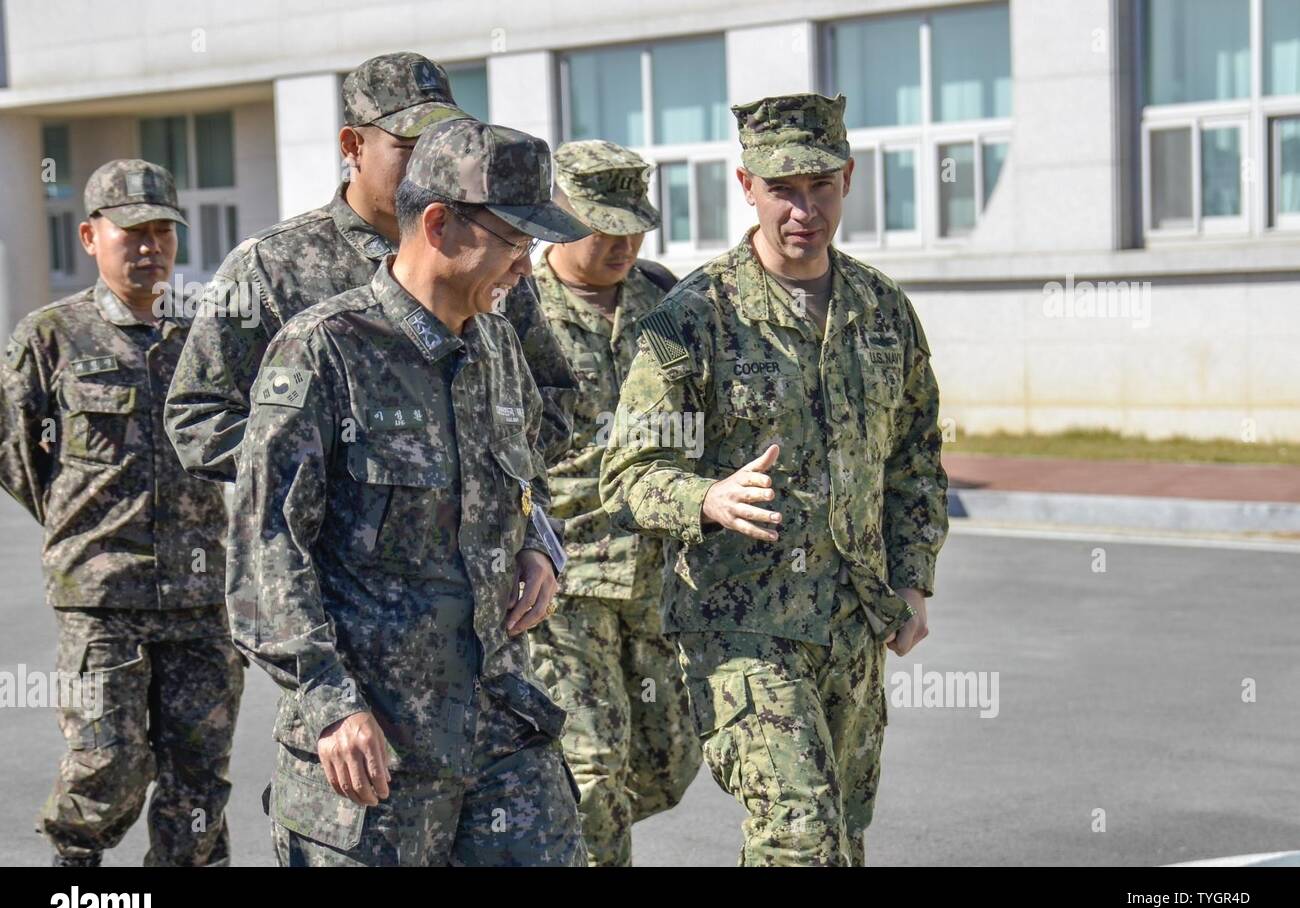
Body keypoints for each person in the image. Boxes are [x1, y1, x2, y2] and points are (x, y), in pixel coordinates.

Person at [228, 117, 591, 866]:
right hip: (373, 754)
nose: (527, 268)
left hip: (499, 734)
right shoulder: (323, 352)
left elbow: (527, 483)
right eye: (515, 243)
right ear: (438, 224)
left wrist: (540, 547)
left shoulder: (495, 346)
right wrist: (329, 704)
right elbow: (264, 550)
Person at [599, 93, 949, 866]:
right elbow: (626, 476)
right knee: (800, 839)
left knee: (842, 839)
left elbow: (915, 462)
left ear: (848, 179)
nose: (803, 208)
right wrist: (706, 497)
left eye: (820, 185)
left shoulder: (882, 309)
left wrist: (915, 581)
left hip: (853, 623)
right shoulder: (690, 319)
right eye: (782, 188)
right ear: (745, 186)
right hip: (740, 631)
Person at [165, 51, 578, 482]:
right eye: (409, 146)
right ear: (352, 146)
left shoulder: (485, 252)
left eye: (441, 142)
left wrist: (483, 476)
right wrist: (346, 472)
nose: (429, 163)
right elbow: (198, 421)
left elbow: (552, 395)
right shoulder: (268, 265)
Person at [0, 160, 243, 867]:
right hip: (102, 597)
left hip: (201, 598)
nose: (149, 247)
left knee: (198, 782)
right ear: (89, 236)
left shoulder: (207, 331)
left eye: (163, 230)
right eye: (132, 231)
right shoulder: (52, 335)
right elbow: (15, 455)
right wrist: (84, 525)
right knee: (106, 771)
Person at [528, 139, 700, 866]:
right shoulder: (514, 310)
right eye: (605, 224)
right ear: (556, 216)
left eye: (634, 224)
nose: (624, 242)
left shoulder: (666, 305)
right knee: (592, 772)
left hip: (657, 573)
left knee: (667, 763)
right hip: (564, 580)